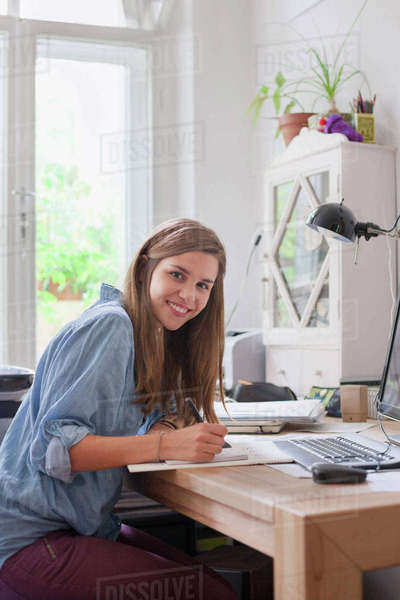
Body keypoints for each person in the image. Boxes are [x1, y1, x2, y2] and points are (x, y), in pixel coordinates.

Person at [0, 218, 238, 600]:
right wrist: (164, 446)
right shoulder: (110, 326)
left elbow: (169, 409)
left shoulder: (155, 335)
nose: (189, 295)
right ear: (146, 266)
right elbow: (56, 451)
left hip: (83, 527)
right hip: (29, 539)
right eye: (177, 274)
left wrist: (163, 426)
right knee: (212, 594)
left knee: (217, 586)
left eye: (203, 285)